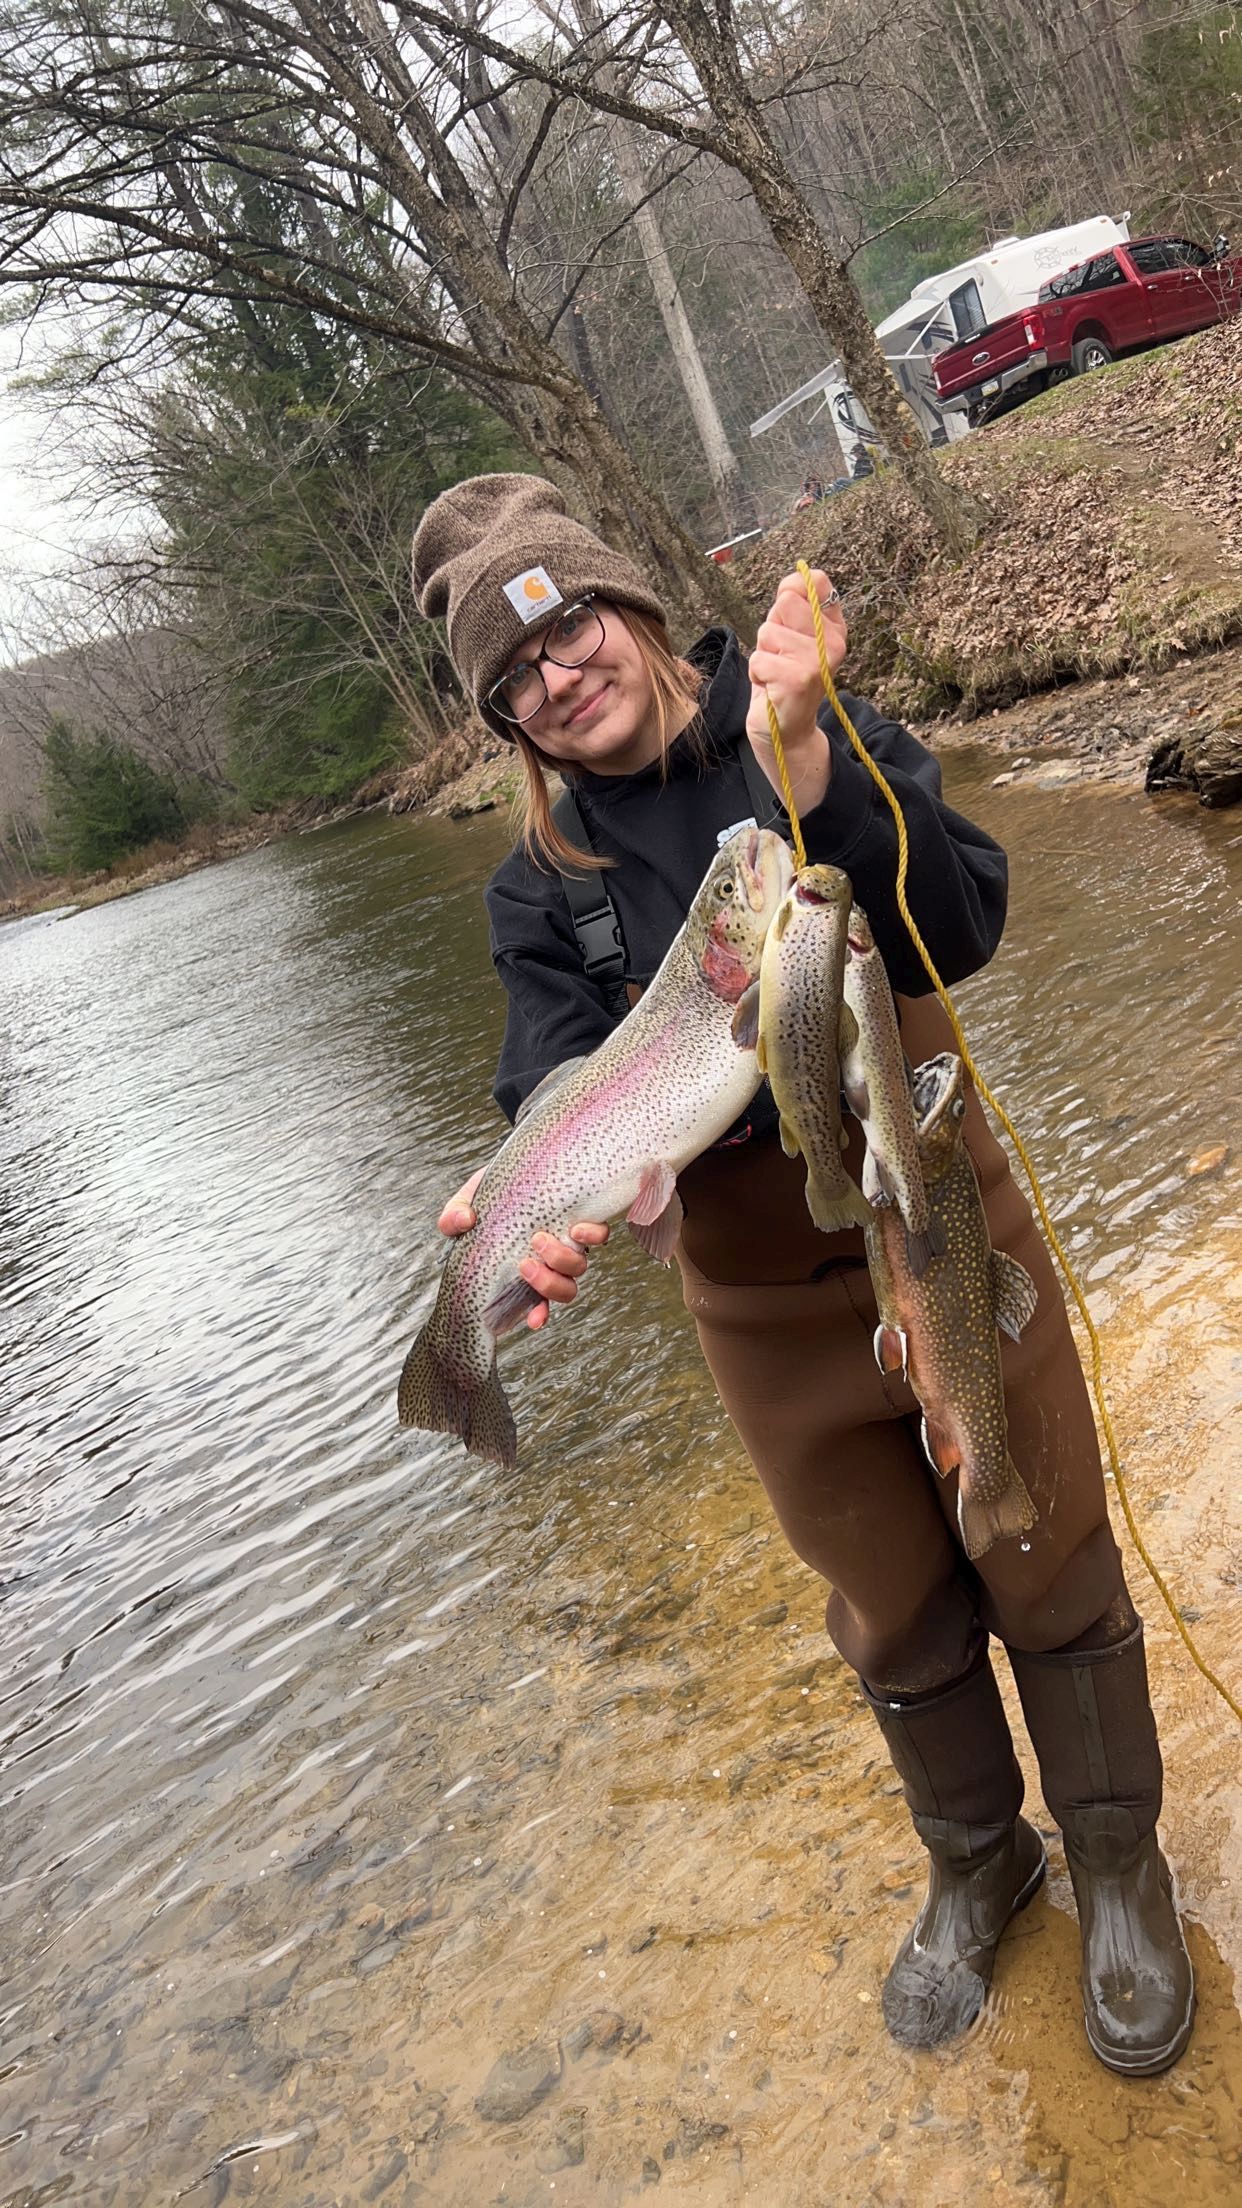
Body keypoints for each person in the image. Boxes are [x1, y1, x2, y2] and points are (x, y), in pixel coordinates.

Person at [410, 471, 1194, 2076]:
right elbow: (548, 1080)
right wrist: (524, 1196)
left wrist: (824, 774)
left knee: (1032, 1532)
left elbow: (960, 921)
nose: (562, 680)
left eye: (572, 634)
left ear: (626, 607)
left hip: (933, 1211)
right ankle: (983, 1862)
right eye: (521, 683)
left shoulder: (798, 732)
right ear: (512, 728)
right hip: (758, 1296)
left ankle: (1116, 1861)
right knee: (888, 1599)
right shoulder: (537, 887)